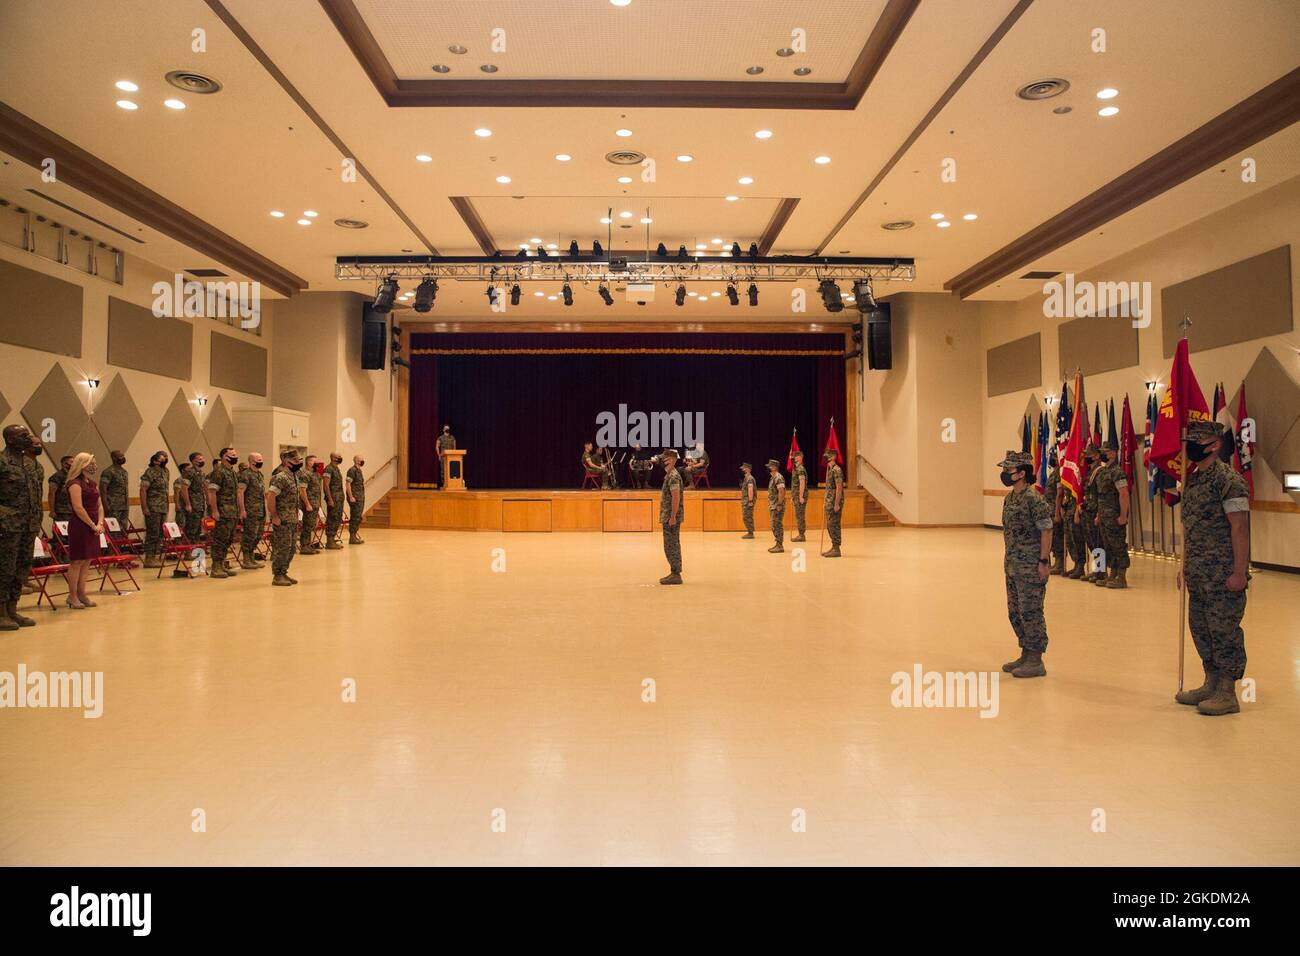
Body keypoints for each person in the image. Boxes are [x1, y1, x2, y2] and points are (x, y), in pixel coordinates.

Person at [1176, 420, 1250, 716]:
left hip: (1222, 571)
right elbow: (1190, 527)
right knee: (1201, 627)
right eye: (1188, 440)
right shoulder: (1193, 480)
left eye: (1197, 440)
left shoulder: (1229, 481)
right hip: (1198, 571)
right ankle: (1210, 681)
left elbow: (1240, 528)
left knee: (1223, 629)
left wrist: (1239, 571)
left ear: (1215, 444)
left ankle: (1227, 691)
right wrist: (1185, 566)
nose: (1190, 445)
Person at [997, 451, 1053, 679]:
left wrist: (1043, 561)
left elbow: (1046, 530)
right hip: (1012, 564)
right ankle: (1025, 652)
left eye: (1009, 470)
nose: (1005, 474)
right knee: (1016, 611)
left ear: (1022, 473)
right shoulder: (1010, 498)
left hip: (1030, 565)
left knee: (1031, 611)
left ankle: (1036, 660)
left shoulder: (1034, 498)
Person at [0, 424, 42, 630]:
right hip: (8, 525)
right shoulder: (1, 462)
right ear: (10, 440)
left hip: (28, 524)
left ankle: (12, 610)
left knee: (22, 568)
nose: (28, 438)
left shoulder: (29, 463)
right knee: (4, 569)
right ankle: (0, 613)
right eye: (23, 436)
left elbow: (36, 493)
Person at [64, 453, 103, 609]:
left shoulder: (92, 484)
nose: (94, 465)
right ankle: (72, 596)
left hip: (94, 525)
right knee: (77, 561)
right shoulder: (74, 483)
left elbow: (99, 505)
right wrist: (92, 525)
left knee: (87, 560)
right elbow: (78, 507)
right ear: (82, 464)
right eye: (90, 462)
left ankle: (82, 593)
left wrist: (100, 523)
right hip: (81, 526)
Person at [1094, 445, 1131, 588]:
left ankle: (1121, 577)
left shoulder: (1117, 472)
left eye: (1105, 452)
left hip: (1114, 516)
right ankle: (1112, 574)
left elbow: (1124, 494)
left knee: (1118, 546)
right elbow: (1100, 497)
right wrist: (1098, 515)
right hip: (1104, 516)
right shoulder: (1103, 472)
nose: (1102, 455)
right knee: (1108, 546)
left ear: (1113, 454)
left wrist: (1123, 515)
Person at [266, 450, 304, 586]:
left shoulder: (295, 476)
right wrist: (274, 516)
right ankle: (277, 575)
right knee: (282, 548)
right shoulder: (280, 477)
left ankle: (283, 572)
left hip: (292, 518)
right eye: (297, 461)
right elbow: (270, 497)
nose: (300, 463)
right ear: (288, 462)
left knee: (292, 548)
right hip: (282, 519)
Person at [206, 446, 241, 579]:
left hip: (232, 512)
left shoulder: (232, 472)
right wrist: (214, 510)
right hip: (222, 511)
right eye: (232, 454)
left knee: (228, 540)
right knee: (219, 540)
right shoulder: (219, 472)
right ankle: (216, 568)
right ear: (224, 457)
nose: (235, 456)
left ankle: (222, 565)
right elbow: (212, 492)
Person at [139, 451, 170, 567]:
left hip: (162, 507)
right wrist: (144, 507)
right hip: (153, 507)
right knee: (153, 532)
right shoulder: (150, 472)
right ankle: (149, 558)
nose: (165, 459)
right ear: (155, 461)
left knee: (160, 534)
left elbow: (166, 490)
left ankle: (155, 556)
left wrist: (167, 506)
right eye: (163, 457)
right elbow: (143, 490)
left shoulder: (165, 471)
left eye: (166, 457)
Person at [237, 453, 267, 569]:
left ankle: (251, 557)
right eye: (258, 459)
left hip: (260, 510)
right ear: (251, 461)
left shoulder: (259, 474)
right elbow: (240, 493)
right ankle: (246, 559)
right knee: (250, 535)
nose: (261, 461)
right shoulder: (245, 475)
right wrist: (242, 510)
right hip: (250, 510)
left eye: (261, 459)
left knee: (258, 535)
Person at [658, 449, 683, 585]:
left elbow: (676, 497)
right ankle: (674, 572)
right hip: (668, 516)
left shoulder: (673, 476)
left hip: (671, 517)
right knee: (670, 544)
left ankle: (676, 574)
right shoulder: (670, 475)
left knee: (671, 545)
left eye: (665, 458)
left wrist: (673, 516)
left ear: (672, 460)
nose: (663, 461)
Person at [1080, 443, 1104, 584]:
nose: (1086, 457)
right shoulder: (1090, 472)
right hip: (1088, 510)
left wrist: (1099, 514)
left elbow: (1102, 495)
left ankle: (1101, 573)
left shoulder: (1100, 472)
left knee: (1098, 543)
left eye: (1089, 454)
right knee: (1092, 543)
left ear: (1096, 456)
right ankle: (1096, 570)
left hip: (1095, 511)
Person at [99, 450, 130, 535]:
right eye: (120, 456)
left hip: (124, 506)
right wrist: (105, 505)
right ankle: (110, 548)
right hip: (113, 506)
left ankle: (119, 548)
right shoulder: (108, 471)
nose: (123, 458)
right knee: (112, 530)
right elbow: (102, 489)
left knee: (123, 531)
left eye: (123, 456)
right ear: (113, 458)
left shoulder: (124, 472)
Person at [1046, 451, 1065, 575]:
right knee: (1054, 539)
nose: (1052, 459)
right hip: (1050, 510)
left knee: (1058, 538)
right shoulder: (1054, 472)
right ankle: (1057, 563)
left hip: (1055, 511)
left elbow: (1060, 494)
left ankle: (1060, 564)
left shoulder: (1059, 474)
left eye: (1054, 457)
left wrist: (1057, 512)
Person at [298, 454, 322, 554]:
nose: (316, 463)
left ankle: (308, 545)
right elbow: (302, 490)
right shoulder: (305, 474)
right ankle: (304, 546)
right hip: (309, 504)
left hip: (315, 504)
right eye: (314, 461)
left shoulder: (315, 474)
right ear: (309, 462)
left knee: (311, 525)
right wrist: (307, 504)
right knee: (307, 525)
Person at [182, 451, 207, 546]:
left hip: (199, 504)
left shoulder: (201, 473)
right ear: (193, 461)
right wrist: (188, 504)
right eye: (199, 459)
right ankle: (188, 552)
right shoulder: (189, 472)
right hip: (192, 504)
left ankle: (196, 550)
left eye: (202, 458)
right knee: (190, 529)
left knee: (197, 529)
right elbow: (184, 488)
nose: (202, 461)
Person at [822, 449, 844, 557]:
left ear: (834, 457)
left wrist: (836, 503)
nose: (826, 458)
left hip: (834, 502)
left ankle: (836, 549)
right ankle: (833, 546)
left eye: (828, 456)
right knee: (830, 525)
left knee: (834, 525)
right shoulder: (830, 470)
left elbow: (839, 488)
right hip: (829, 501)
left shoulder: (837, 470)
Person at [323, 453, 345, 549]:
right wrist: (330, 499)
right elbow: (326, 485)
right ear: (332, 458)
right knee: (332, 518)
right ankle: (329, 541)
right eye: (338, 457)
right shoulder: (329, 468)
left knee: (337, 518)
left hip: (339, 498)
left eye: (340, 457)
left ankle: (332, 539)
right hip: (333, 498)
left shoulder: (336, 468)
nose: (340, 458)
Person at [765, 459, 786, 553]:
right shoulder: (773, 477)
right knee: (775, 525)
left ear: (774, 467)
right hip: (773, 505)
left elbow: (781, 491)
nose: (768, 468)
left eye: (770, 466)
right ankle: (778, 543)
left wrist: (779, 504)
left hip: (777, 505)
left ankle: (780, 545)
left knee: (777, 524)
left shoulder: (778, 477)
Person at [47, 454, 73, 527]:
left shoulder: (72, 476)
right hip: (61, 511)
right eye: (71, 462)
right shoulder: (57, 476)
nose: (74, 464)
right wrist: (52, 510)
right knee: (62, 532)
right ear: (64, 464)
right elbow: (51, 493)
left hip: (72, 510)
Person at [346, 454, 366, 544]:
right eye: (361, 459)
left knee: (358, 517)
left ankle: (354, 535)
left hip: (360, 497)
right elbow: (348, 484)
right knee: (355, 517)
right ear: (357, 461)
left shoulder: (359, 470)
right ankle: (352, 537)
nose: (363, 461)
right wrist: (351, 496)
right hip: (355, 497)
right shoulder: (352, 470)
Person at [790, 450, 808, 542]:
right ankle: (800, 534)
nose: (794, 458)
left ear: (801, 458)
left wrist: (800, 496)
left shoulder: (800, 469)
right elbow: (795, 484)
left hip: (800, 495)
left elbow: (802, 483)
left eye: (796, 456)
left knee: (800, 515)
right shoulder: (796, 468)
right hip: (796, 495)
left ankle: (801, 535)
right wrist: (793, 496)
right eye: (794, 456)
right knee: (798, 515)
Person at [739, 462, 756, 539]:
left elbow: (750, 490)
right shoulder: (746, 478)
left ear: (748, 469)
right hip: (746, 500)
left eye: (744, 468)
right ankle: (750, 531)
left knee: (747, 516)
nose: (742, 470)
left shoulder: (750, 478)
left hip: (748, 501)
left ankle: (750, 533)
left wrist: (750, 501)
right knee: (746, 516)